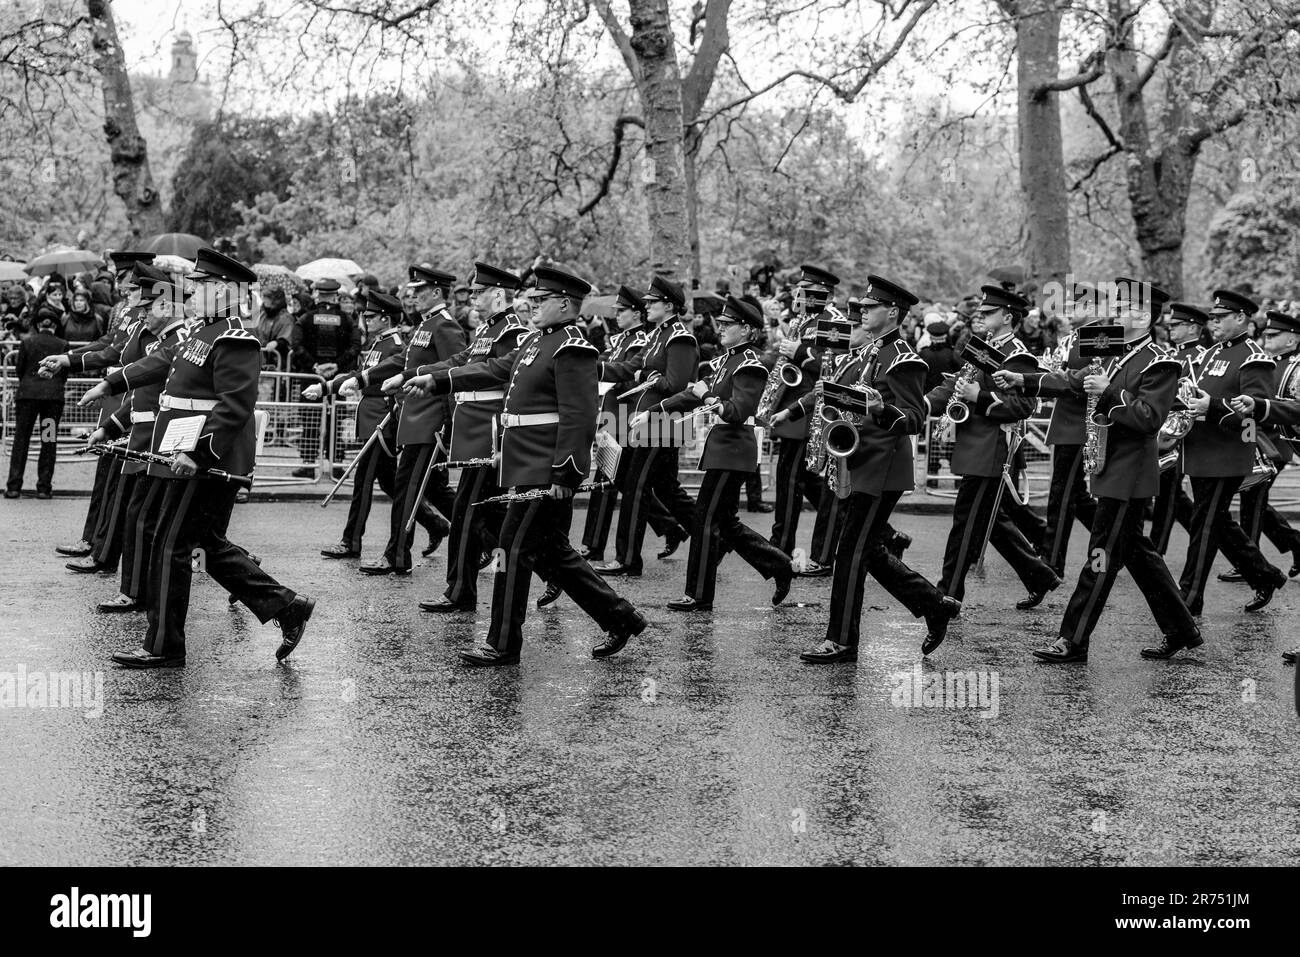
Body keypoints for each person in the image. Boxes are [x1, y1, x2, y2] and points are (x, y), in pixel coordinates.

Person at [80, 246, 315, 668]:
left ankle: (164, 646)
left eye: (203, 286)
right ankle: (286, 606)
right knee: (200, 543)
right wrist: (112, 384)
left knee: (172, 544)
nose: (193, 292)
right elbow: (160, 361)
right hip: (180, 451)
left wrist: (197, 453)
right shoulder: (199, 332)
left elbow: (234, 407)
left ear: (227, 290)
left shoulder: (235, 338)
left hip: (207, 460)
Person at [405, 266, 646, 667]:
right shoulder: (539, 340)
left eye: (539, 300)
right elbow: (494, 369)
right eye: (531, 300)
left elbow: (579, 417)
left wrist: (567, 473)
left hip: (546, 465)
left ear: (565, 303)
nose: (530, 305)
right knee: (553, 556)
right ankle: (621, 617)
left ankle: (502, 644)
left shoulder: (574, 348)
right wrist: (439, 379)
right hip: (525, 461)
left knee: (513, 550)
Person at [1001, 280, 1202, 663]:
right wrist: (1024, 381)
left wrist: (1110, 391)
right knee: (1140, 556)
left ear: (1144, 316)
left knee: (1100, 556)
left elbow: (1148, 418)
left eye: (1126, 308)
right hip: (1109, 467)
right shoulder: (1113, 350)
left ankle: (1073, 639)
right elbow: (1071, 381)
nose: (1116, 313)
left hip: (1130, 474)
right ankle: (1182, 628)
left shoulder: (1160, 361)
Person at [780, 275, 959, 663]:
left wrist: (881, 409)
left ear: (892, 311)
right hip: (856, 462)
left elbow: (913, 418)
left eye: (870, 306)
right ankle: (935, 604)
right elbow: (829, 388)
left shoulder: (904, 359)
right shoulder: (863, 353)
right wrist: (793, 409)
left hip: (881, 469)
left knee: (851, 554)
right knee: (869, 551)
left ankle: (842, 640)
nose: (861, 311)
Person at [402, 262, 531, 613]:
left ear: (499, 295)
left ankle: (461, 590)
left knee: (469, 515)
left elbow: (491, 373)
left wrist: (439, 379)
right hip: (472, 433)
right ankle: (472, 585)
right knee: (478, 516)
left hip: (489, 437)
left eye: (479, 292)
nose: (472, 297)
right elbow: (461, 359)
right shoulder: (490, 330)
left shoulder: (512, 333)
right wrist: (419, 372)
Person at [654, 295, 794, 612]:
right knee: (726, 523)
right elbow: (693, 392)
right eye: (721, 323)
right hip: (723, 449)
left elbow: (736, 411)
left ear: (745, 330)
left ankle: (699, 594)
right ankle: (779, 564)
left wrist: (707, 397)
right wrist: (657, 409)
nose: (721, 328)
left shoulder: (750, 366)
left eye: (727, 324)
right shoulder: (725, 360)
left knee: (705, 520)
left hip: (735, 449)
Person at [927, 285, 1061, 609]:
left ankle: (948, 593)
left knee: (966, 521)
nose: (981, 316)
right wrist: (925, 404)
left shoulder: (1018, 355)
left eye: (988, 313)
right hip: (976, 444)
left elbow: (1024, 404)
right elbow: (958, 380)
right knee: (990, 523)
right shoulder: (985, 346)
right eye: (982, 312)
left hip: (993, 448)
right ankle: (1039, 575)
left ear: (1007, 316)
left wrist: (980, 397)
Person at [341, 265, 463, 575]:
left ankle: (397, 555)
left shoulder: (445, 327)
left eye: (419, 291)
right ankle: (483, 541)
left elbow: (455, 374)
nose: (412, 296)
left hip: (430, 420)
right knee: (419, 488)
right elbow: (404, 362)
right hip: (412, 417)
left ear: (436, 292)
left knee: (407, 488)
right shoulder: (426, 325)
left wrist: (449, 423)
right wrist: (364, 378)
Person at [1174, 288, 1286, 616]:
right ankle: (1265, 575)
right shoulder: (1209, 355)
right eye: (1212, 317)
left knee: (1204, 527)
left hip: (1228, 455)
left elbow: (1253, 415)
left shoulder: (1255, 358)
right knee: (1217, 522)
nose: (1214, 322)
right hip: (1201, 451)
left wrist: (1212, 408)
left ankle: (1187, 600)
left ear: (1241, 318)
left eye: (1221, 317)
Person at [593, 275, 696, 577]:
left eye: (652, 302)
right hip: (647, 422)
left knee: (636, 488)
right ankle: (712, 536)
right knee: (666, 489)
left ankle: (628, 559)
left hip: (663, 423)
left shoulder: (680, 337)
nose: (646, 306)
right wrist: (591, 365)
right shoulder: (656, 335)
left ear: (669, 305)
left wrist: (643, 378)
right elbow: (627, 367)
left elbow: (675, 384)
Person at [311, 291, 405, 559]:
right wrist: (326, 387)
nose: (365, 319)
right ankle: (436, 523)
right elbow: (358, 376)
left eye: (371, 316)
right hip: (369, 418)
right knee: (391, 484)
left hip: (381, 421)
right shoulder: (380, 342)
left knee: (363, 482)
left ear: (386, 319)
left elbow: (385, 380)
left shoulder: (395, 345)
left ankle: (351, 541)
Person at [1034, 281, 1107, 578]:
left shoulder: (1101, 336)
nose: (1067, 310)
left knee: (1061, 496)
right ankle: (1116, 542)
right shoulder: (1076, 336)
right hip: (1066, 422)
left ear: (1090, 308)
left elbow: (1090, 375)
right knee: (1076, 497)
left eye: (1075, 305)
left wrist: (1062, 376)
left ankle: (1051, 562)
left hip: (1080, 424)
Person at [766, 265, 837, 562]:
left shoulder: (833, 320)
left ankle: (780, 544)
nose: (800, 296)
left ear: (822, 295)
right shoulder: (801, 321)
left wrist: (799, 353)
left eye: (806, 292)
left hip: (810, 410)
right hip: (793, 406)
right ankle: (885, 536)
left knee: (791, 481)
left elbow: (831, 367)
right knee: (801, 481)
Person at [1230, 310, 1300, 580]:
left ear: (1292, 340)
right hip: (1257, 440)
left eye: (1273, 335)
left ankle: (1249, 562)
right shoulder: (1266, 361)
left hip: (1277, 445)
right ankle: (1292, 544)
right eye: (1265, 334)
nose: (1265, 338)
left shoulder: (1294, 367)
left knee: (1253, 502)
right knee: (1254, 501)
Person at [1149, 302, 1209, 554]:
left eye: (1176, 325)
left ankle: (1156, 549)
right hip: (1166, 433)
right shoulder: (1172, 355)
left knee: (1167, 495)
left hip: (1186, 435)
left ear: (1192, 327)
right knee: (1172, 496)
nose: (1169, 328)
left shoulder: (1202, 357)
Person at [290, 278, 360, 478]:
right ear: (335, 295)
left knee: (310, 419)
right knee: (336, 420)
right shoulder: (347, 320)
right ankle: (337, 465)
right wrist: (336, 365)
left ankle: (309, 465)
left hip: (311, 376)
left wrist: (315, 366)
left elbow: (296, 345)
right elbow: (355, 347)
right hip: (337, 379)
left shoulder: (305, 318)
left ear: (317, 294)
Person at [5, 311, 69, 499]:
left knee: (21, 440)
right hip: (52, 399)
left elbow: (20, 370)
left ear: (38, 325)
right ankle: (43, 487)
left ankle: (14, 486)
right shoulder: (62, 344)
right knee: (48, 440)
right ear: (55, 326)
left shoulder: (27, 342)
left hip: (27, 397)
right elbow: (63, 374)